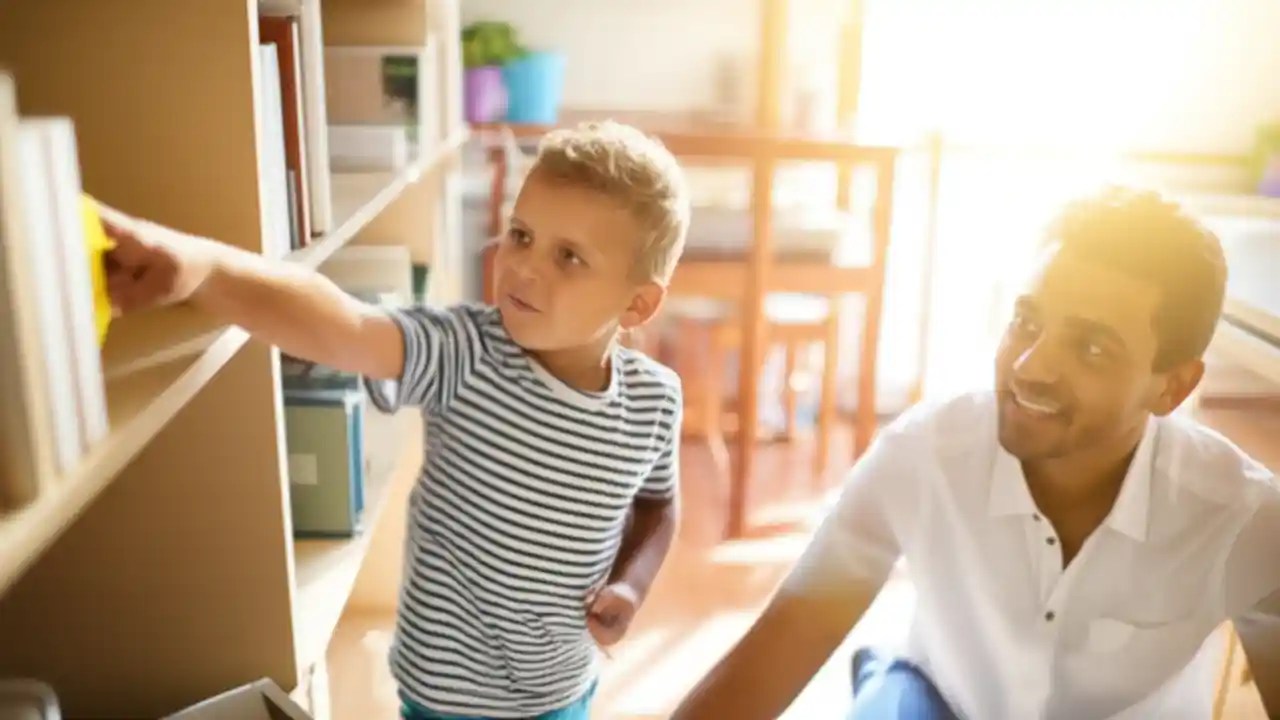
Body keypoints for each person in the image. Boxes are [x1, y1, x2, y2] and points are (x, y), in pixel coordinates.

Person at [102, 120, 690, 720]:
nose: (524, 267)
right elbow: (345, 328)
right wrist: (204, 271)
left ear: (637, 303)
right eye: (521, 235)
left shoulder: (656, 401)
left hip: (562, 690)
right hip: (446, 698)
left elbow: (657, 505)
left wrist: (632, 585)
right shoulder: (465, 353)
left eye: (568, 256)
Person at [672, 186, 1280, 719]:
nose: (1028, 368)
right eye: (1027, 321)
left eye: (1092, 348)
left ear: (1172, 386)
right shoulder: (924, 456)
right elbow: (779, 648)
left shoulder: (1245, 520)